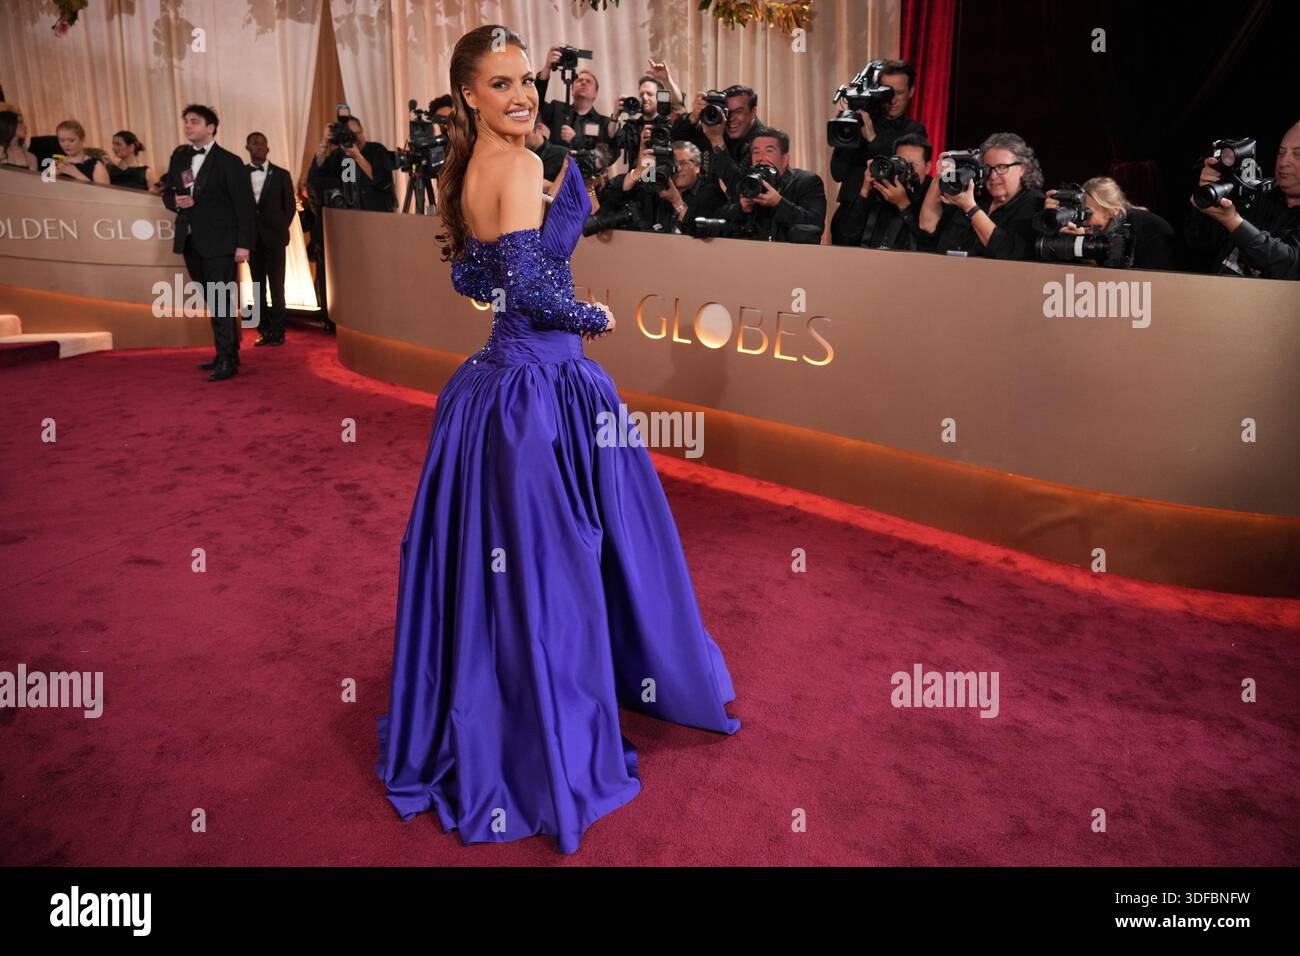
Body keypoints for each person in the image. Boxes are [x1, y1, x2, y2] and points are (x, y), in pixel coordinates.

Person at [374, 24, 741, 855]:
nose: (520, 95)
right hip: (545, 386)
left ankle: (505, 708)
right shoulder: (520, 165)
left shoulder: (469, 169)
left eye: (525, 79)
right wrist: (593, 313)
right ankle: (555, 733)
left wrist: (546, 266)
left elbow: (477, 278)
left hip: (491, 391)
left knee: (514, 565)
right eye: (499, 84)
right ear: (469, 94)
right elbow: (536, 295)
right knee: (567, 562)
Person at [161, 103, 256, 381]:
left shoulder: (229, 161)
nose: (188, 126)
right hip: (190, 240)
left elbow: (244, 206)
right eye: (186, 122)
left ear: (210, 127)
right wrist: (175, 202)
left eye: (194, 121)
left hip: (221, 242)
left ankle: (226, 358)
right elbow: (168, 193)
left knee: (220, 300)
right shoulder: (179, 157)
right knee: (213, 301)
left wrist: (243, 244)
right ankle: (226, 354)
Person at [1184, 120, 1300, 280]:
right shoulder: (1258, 192)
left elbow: (1288, 265)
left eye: (1298, 154)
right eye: (1281, 152)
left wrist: (1232, 220)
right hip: (1215, 295)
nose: (1284, 162)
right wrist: (1208, 198)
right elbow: (1198, 241)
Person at [920, 132, 1046, 260]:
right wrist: (939, 176)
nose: (992, 176)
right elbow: (927, 225)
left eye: (1002, 167)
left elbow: (1006, 250)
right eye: (987, 168)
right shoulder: (974, 194)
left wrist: (970, 208)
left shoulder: (1035, 203)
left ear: (1022, 169)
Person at [828, 59, 927, 206]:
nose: (892, 100)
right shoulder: (860, 123)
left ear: (911, 91)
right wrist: (847, 129)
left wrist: (873, 138)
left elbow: (906, 174)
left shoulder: (914, 130)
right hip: (852, 215)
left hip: (889, 214)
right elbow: (838, 173)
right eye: (887, 93)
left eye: (899, 93)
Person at [714, 126, 827, 243]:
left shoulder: (807, 182)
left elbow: (816, 223)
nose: (761, 158)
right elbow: (718, 217)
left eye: (769, 151)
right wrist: (742, 208)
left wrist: (779, 203)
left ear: (784, 159)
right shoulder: (747, 183)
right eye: (756, 152)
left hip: (790, 256)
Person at [1048, 176, 1180, 270]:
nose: (1081, 220)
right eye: (1079, 213)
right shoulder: (1093, 229)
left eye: (1087, 213)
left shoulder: (1149, 230)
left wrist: (1086, 252)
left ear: (1113, 211)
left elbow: (1128, 287)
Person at [830, 132, 932, 250]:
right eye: (900, 162)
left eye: (912, 165)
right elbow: (844, 239)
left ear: (928, 167)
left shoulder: (933, 196)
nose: (905, 169)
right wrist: (864, 191)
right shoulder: (880, 189)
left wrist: (903, 205)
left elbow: (927, 244)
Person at [245, 132, 296, 346]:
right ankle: (264, 330)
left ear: (268, 148)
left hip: (275, 238)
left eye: (261, 143)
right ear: (247, 148)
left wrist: (279, 227)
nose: (257, 147)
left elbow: (290, 207)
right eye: (253, 143)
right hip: (251, 240)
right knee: (257, 287)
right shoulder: (240, 174)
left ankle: (279, 331)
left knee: (278, 287)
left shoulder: (282, 174)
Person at [533, 46, 617, 152]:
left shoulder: (603, 123)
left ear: (595, 93)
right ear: (572, 89)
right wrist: (547, 67)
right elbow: (535, 102)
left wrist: (575, 140)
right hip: (556, 167)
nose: (583, 82)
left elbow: (604, 154)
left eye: (588, 81)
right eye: (579, 80)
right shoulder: (557, 110)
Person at [307, 114, 396, 212]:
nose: (356, 139)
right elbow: (315, 179)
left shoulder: (377, 150)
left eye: (358, 133)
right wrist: (324, 143)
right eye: (350, 135)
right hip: (349, 218)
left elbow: (383, 180)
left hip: (377, 216)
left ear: (362, 130)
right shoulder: (338, 156)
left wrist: (358, 157)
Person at [53, 120, 110, 185]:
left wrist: (76, 174)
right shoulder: (57, 163)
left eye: (71, 140)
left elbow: (104, 193)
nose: (66, 144)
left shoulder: (96, 165)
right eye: (62, 141)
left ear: (82, 139)